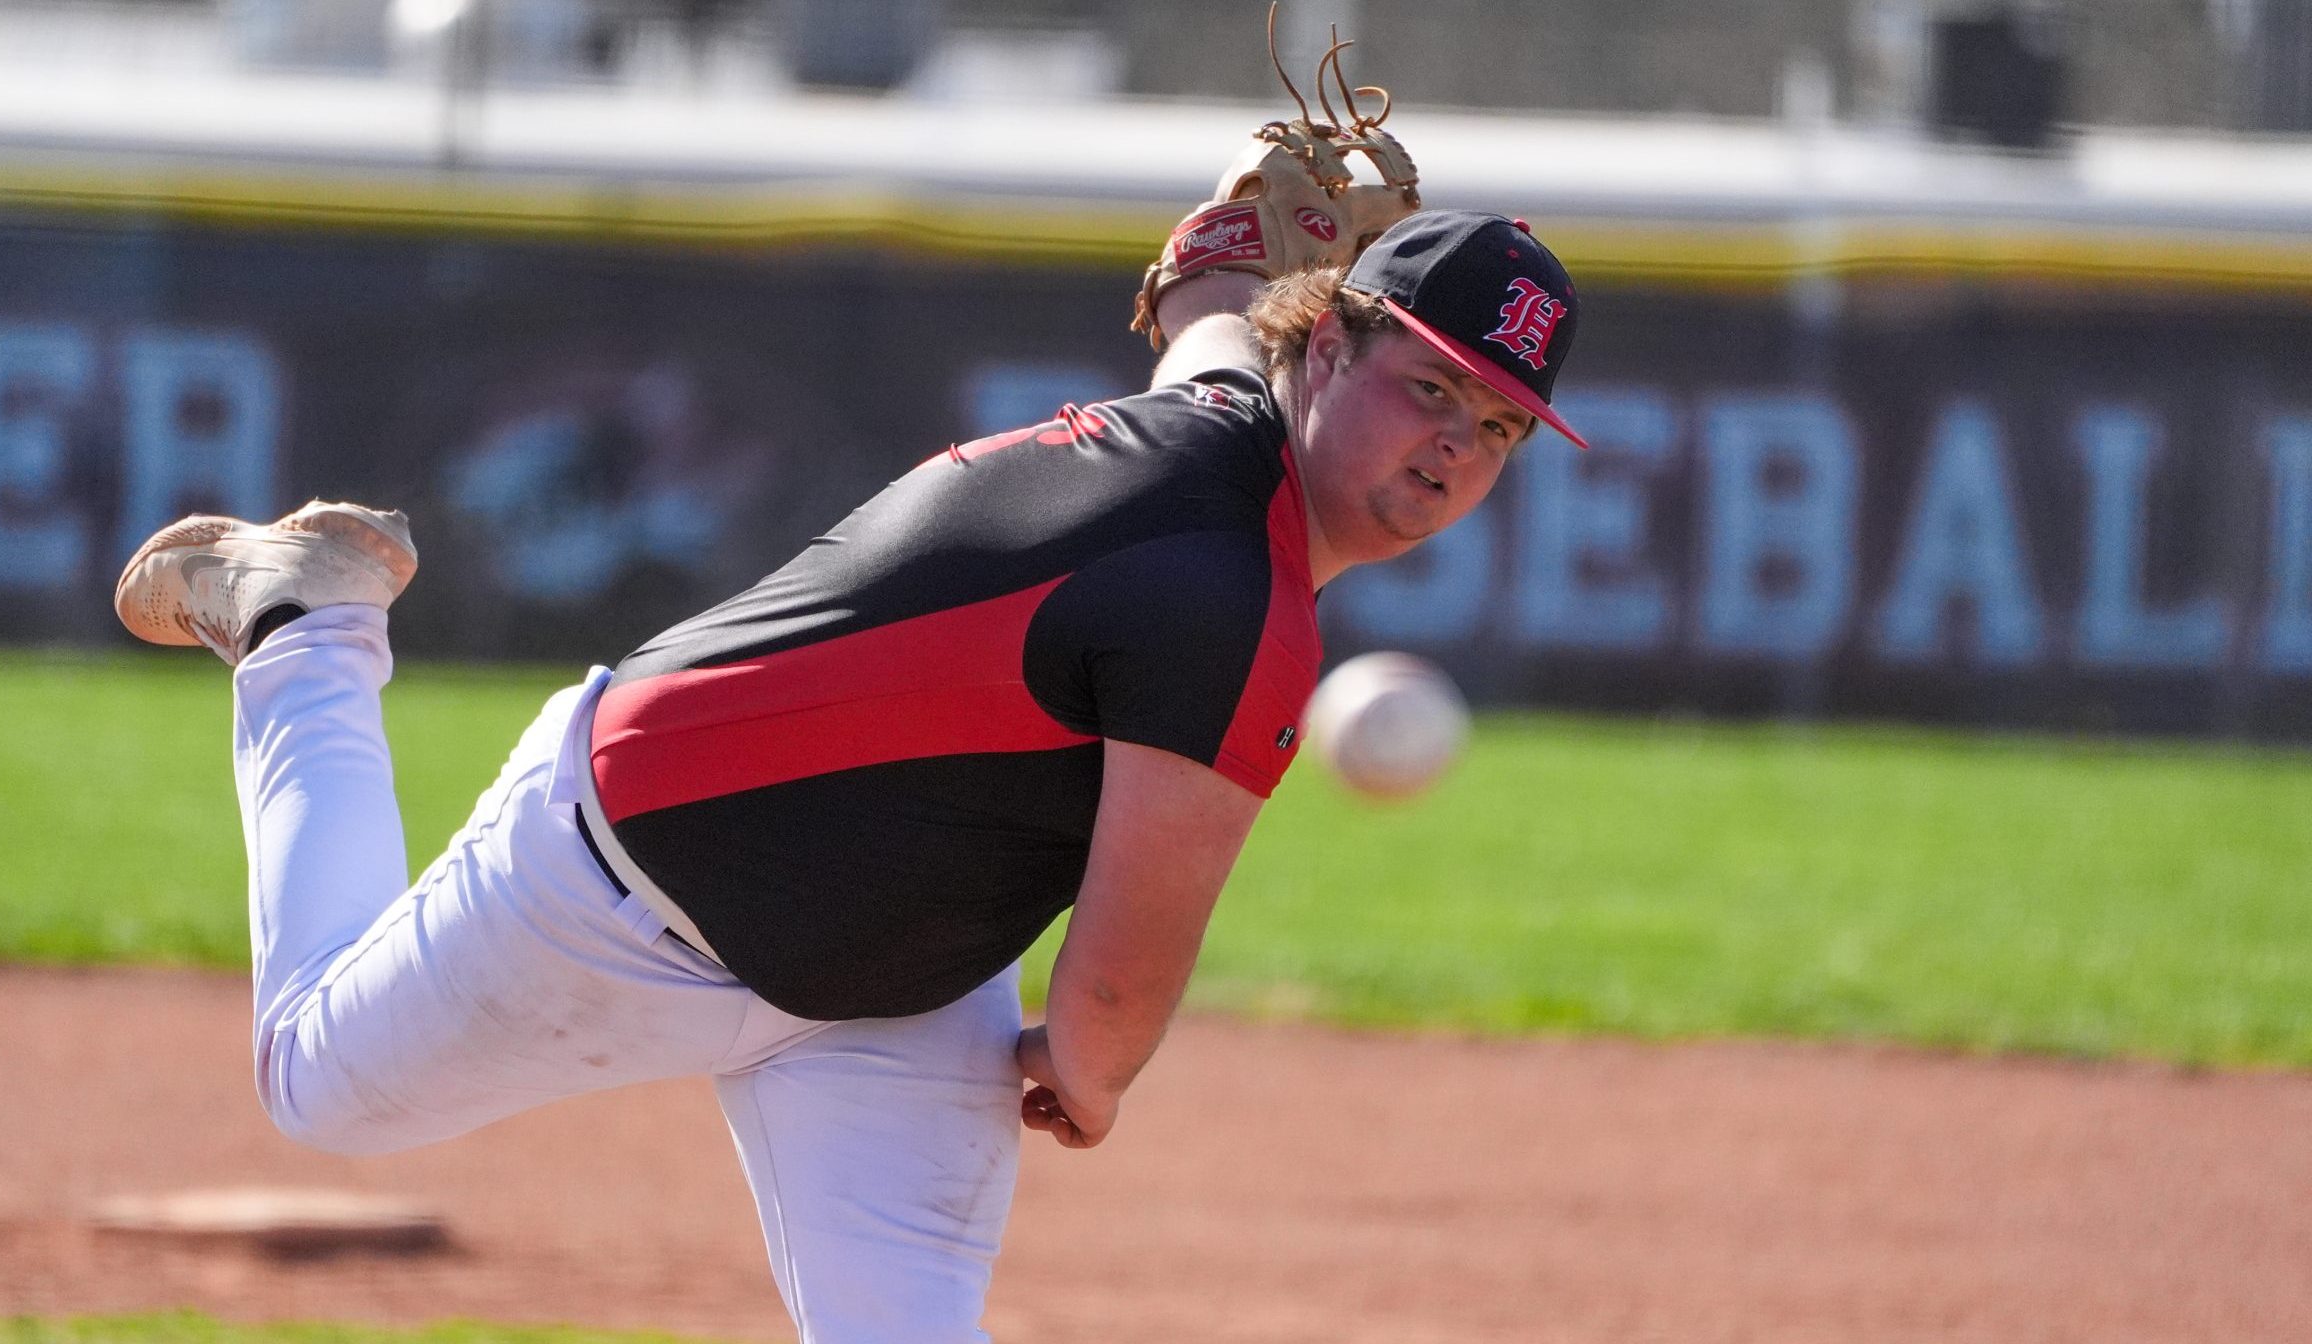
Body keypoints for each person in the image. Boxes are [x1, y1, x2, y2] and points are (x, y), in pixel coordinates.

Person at [113, 210, 1585, 1343]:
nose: (1453, 450)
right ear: (1324, 342)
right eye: (1428, 389)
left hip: (900, 977)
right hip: (636, 871)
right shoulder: (1232, 606)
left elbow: (1207, 319)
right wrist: (1085, 1080)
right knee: (318, 1082)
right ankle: (309, 618)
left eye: (1496, 425)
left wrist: (1221, 231)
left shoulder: (1220, 408)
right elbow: (1117, 993)